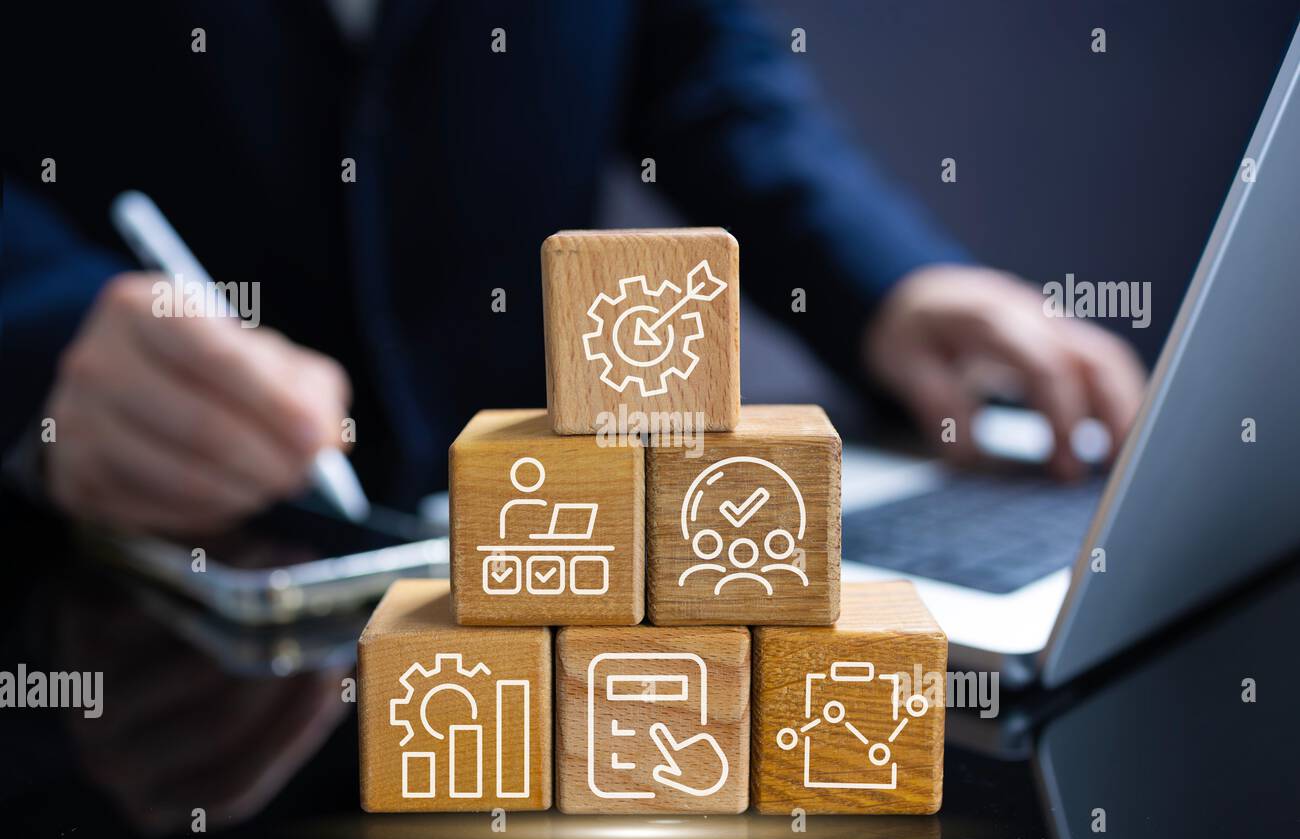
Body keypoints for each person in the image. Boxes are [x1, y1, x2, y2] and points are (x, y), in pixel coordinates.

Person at [0, 1, 1145, 535]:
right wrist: (38, 324)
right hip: (96, 610)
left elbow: (690, 54)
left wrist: (889, 281)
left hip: (532, 545)